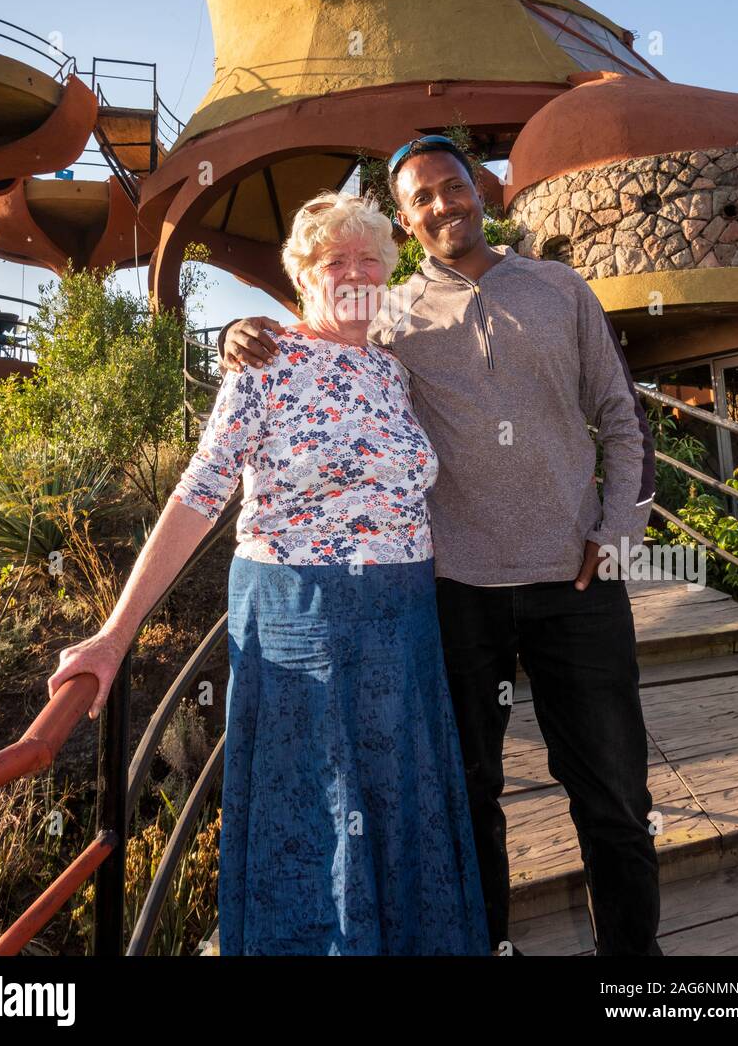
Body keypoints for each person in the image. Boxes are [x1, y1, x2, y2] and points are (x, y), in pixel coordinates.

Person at [219, 135, 662, 957]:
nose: (440, 205)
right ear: (406, 219)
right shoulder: (389, 315)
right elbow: (322, 330)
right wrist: (244, 334)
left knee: (615, 797)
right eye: (420, 198)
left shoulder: (562, 290)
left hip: (578, 582)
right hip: (455, 590)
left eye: (450, 187)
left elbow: (623, 415)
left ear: (479, 190)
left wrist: (619, 531)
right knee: (467, 796)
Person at [48, 189, 489, 957]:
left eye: (369, 261)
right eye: (334, 261)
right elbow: (198, 493)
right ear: (305, 278)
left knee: (396, 798)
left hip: (404, 622)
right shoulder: (267, 362)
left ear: (386, 276)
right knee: (316, 806)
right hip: (301, 622)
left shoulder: (392, 373)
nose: (354, 273)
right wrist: (115, 634)